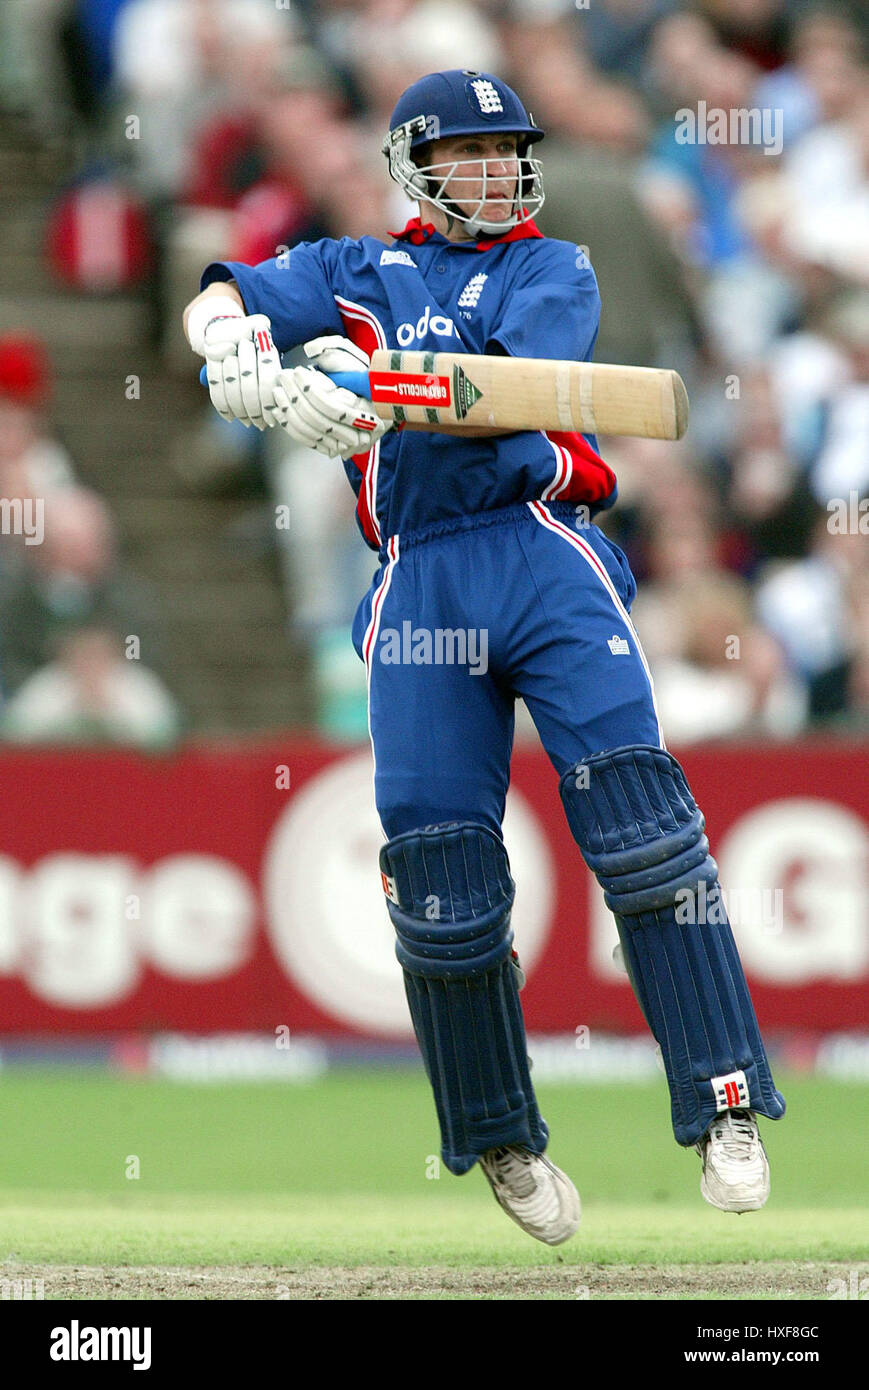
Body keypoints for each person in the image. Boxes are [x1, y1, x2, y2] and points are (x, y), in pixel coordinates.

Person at [183, 69, 785, 1245]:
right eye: (470, 152)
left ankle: (722, 1101)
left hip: (537, 549)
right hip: (419, 570)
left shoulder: (549, 266)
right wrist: (240, 368)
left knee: (643, 832)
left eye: (509, 149)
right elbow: (229, 291)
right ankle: (500, 1136)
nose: (500, 170)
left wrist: (364, 387)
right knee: (440, 882)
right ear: (416, 163)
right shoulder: (357, 269)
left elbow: (504, 394)